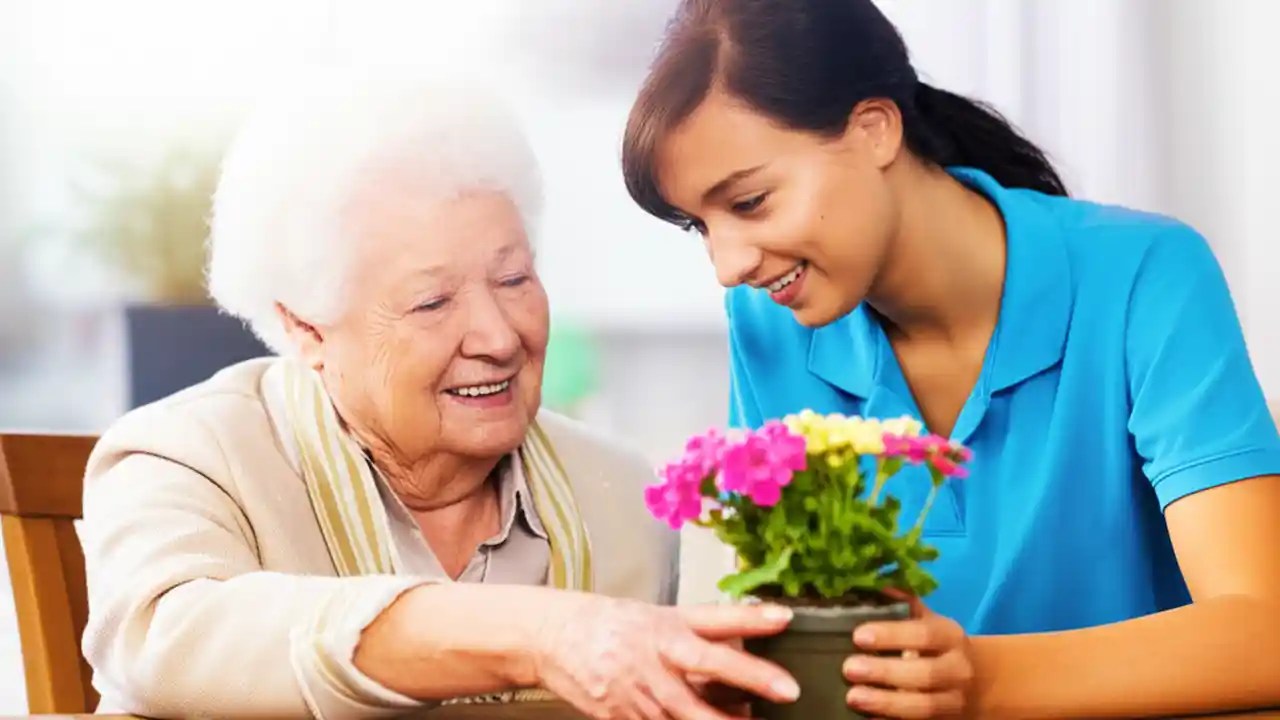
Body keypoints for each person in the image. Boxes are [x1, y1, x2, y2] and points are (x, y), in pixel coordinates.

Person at [621, 1, 1280, 717]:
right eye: (700, 227)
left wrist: (982, 679)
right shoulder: (770, 322)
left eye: (749, 202)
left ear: (874, 129)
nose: (728, 265)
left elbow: (1264, 630)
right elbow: (795, 626)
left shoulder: (1145, 276)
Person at [78, 69, 801, 720]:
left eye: (515, 279)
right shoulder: (188, 459)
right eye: (431, 303)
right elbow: (164, 637)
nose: (496, 334)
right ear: (307, 329)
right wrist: (542, 634)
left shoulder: (618, 497)